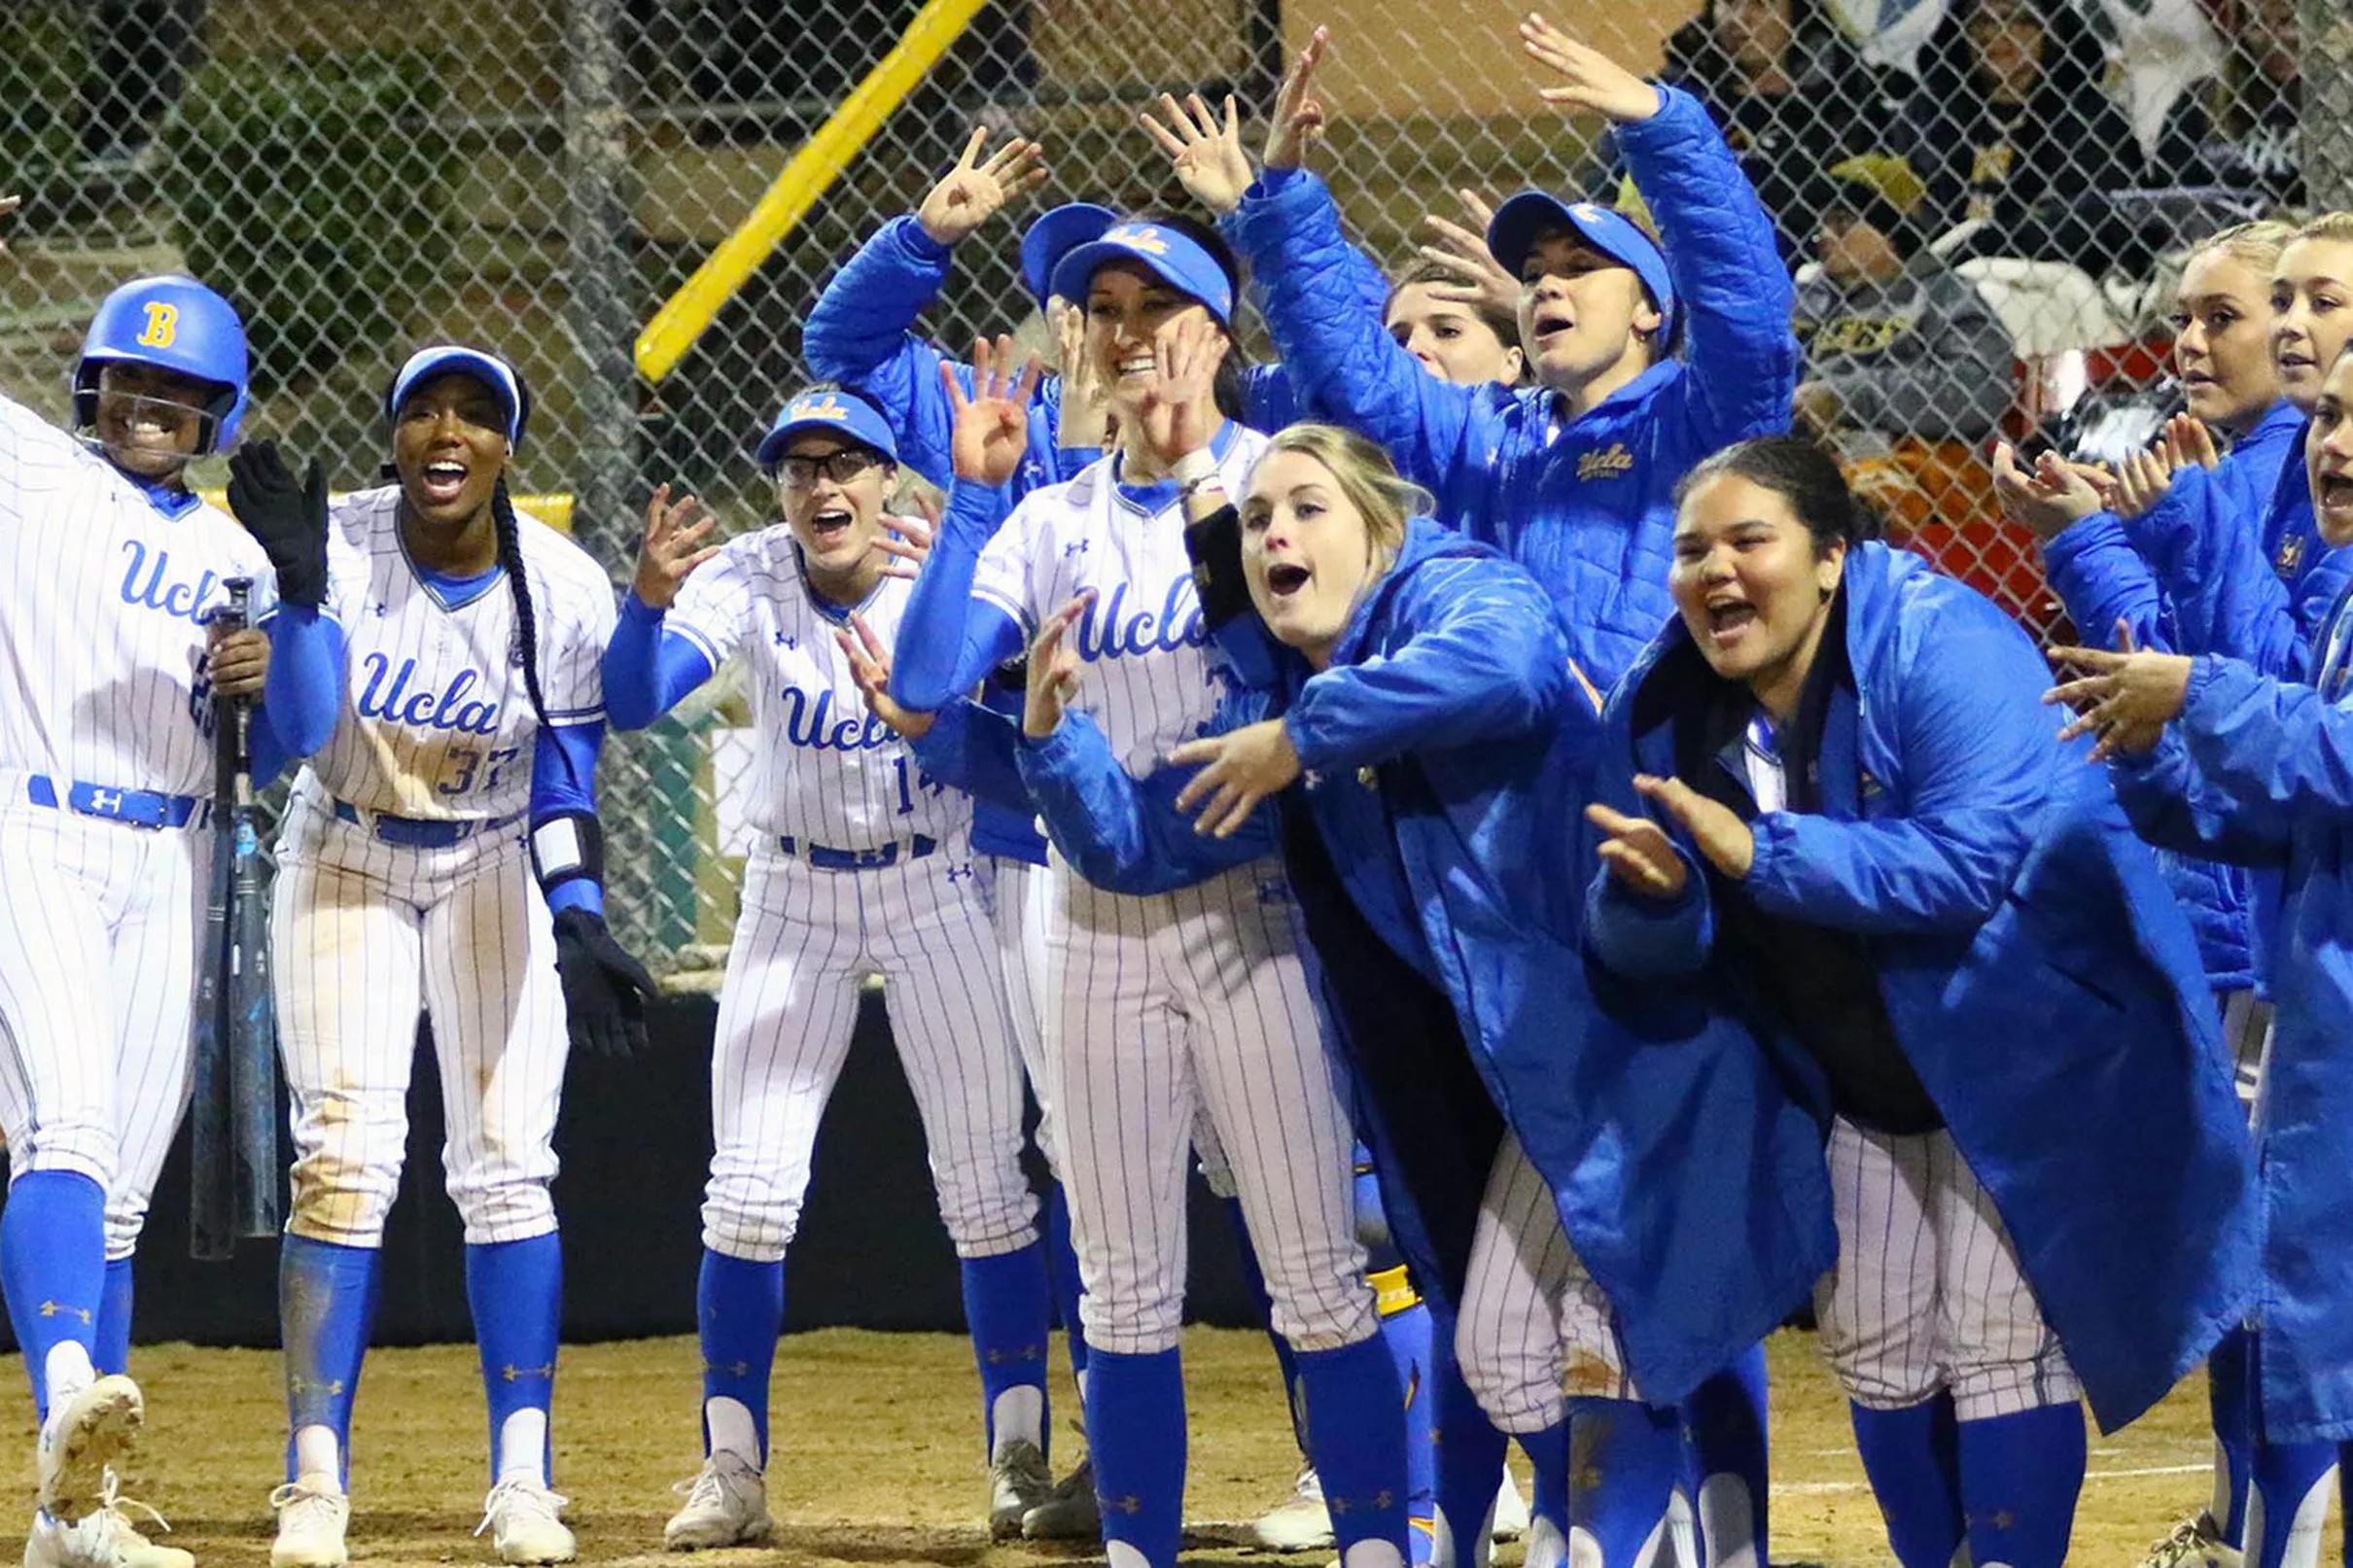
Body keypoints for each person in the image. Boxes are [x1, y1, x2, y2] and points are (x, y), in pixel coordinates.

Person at [1169, 23, 1794, 1560]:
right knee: (1563, 1247)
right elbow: (1354, 382)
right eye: (1537, 265)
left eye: (1584, 261)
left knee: (1669, 1239)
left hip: (1672, 859)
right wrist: (1284, 211)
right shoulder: (1497, 450)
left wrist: (1665, 127)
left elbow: (1759, 319)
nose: (1550, 278)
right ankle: (1604, 1523)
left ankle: (1723, 1525)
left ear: (1649, 304)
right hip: (1520, 879)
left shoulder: (1694, 421)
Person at [1583, 436, 2258, 1568]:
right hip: (1853, 1063)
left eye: (1750, 540)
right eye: (1691, 548)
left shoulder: (1943, 644)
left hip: (2029, 1034)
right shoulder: (1671, 704)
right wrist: (1651, 902)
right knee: (1880, 1347)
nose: (1715, 572)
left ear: (1832, 553)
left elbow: (1965, 864)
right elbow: (1655, 928)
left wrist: (1754, 851)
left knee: (2002, 1344)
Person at [887, 237, 1411, 1568]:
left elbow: (1298, 666)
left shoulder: (1276, 479)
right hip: (1089, 925)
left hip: (1256, 912)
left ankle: (1377, 1542)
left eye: (1161, 310)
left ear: (1221, 331)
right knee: (1124, 1283)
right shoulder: (1052, 516)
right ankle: (1137, 1550)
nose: (1131, 335)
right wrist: (969, 492)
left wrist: (1195, 477)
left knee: (1312, 1266)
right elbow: (934, 673)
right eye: (1105, 311)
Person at [601, 387, 1056, 1548]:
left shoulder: (932, 561)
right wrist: (648, 601)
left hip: (933, 878)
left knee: (983, 1184)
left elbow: (1007, 700)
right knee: (747, 1195)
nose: (822, 486)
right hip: (793, 890)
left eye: (847, 461)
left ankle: (1017, 1453)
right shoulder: (752, 572)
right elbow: (637, 698)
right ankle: (731, 1467)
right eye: (799, 465)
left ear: (889, 478)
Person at [256, 345, 654, 1568]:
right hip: (346, 845)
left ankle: (523, 1477)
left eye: (478, 414)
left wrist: (578, 910)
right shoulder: (334, 538)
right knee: (343, 1158)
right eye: (423, 409)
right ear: (391, 435)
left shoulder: (568, 586)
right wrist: (300, 595)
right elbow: (298, 733)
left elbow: (563, 775)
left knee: (505, 1167)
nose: (448, 431)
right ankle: (312, 1479)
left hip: (489, 855)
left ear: (506, 447)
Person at [0, 263, 337, 1568]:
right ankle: (68, 1405)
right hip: (35, 828)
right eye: (129, 378)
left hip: (175, 858)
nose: (147, 403)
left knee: (123, 1202)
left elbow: (304, 734)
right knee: (67, 1125)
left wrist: (289, 618)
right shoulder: (33, 475)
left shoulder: (236, 552)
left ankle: (66, 1519)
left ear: (219, 410)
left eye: (178, 388)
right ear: (91, 382)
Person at [2000, 218, 2297, 1568]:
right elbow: (2173, 676)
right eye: (2198, 314)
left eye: (2229, 312)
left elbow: (2250, 684)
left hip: (2272, 915)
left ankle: (2267, 1531)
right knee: (2245, 1269)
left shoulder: (2295, 479)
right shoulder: (2243, 466)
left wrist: (2134, 536)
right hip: (2230, 896)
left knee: (2277, 1270)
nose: (2197, 341)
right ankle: (2245, 1520)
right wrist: (2091, 539)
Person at [2048, 341, 2353, 1568]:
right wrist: (2147, 749)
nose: (2331, 445)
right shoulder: (2344, 598)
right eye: (2327, 416)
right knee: (2301, 1328)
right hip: (2320, 1008)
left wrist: (2198, 692)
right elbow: (2292, 808)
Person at [1627, 0, 1905, 264]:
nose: (1739, 19)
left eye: (1760, 4)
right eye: (1729, 3)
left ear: (1794, 13)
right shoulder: (1673, 99)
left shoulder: (1846, 97)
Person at [1896, 0, 2150, 273]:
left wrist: (1984, 244)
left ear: (2050, 30)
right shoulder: (1930, 115)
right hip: (1938, 276)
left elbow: (2095, 223)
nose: (1992, 35)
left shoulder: (2089, 118)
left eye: (2013, 19)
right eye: (1979, 22)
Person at [1792, 155, 2016, 444]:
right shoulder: (1809, 295)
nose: (1823, 235)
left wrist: (1846, 398)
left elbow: (1978, 388)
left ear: (1890, 234)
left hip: (1895, 450)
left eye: (1841, 222)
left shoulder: (1941, 291)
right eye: (1821, 222)